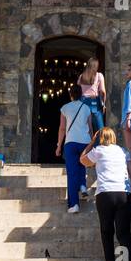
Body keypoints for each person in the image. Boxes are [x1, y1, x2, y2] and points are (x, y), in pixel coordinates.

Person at [80, 127, 131, 261]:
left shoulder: (98, 150)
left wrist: (91, 142)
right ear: (113, 137)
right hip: (123, 194)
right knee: (123, 233)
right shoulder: (123, 151)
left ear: (100, 138)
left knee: (107, 231)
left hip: (105, 195)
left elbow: (82, 160)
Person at [55, 84, 94, 212]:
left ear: (70, 94)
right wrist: (91, 144)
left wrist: (59, 145)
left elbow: (62, 128)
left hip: (71, 142)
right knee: (82, 165)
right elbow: (90, 128)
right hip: (85, 142)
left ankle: (74, 205)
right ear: (81, 94)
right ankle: (82, 185)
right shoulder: (86, 108)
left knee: (72, 173)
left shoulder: (65, 108)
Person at [77, 56, 106, 132]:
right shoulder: (99, 75)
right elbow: (103, 91)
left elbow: (78, 88)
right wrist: (103, 104)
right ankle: (100, 139)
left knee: (84, 127)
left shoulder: (82, 76)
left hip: (83, 102)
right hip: (94, 102)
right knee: (100, 128)